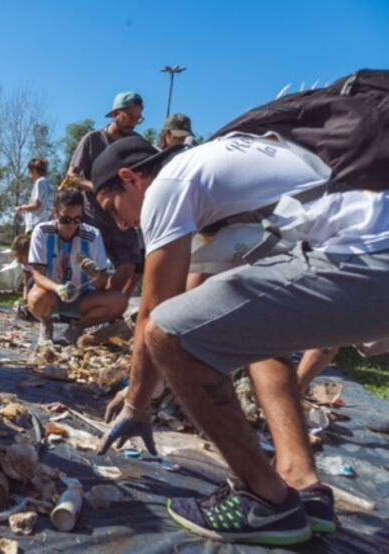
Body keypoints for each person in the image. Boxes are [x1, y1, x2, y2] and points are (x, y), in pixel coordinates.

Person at [89, 132, 389, 545]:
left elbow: (156, 315)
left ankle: (263, 501)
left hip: (366, 255)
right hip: (370, 248)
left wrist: (138, 404)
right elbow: (211, 307)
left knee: (166, 333)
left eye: (113, 208)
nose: (122, 224)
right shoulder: (219, 183)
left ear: (132, 178)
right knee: (252, 336)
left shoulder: (169, 185)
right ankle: (302, 483)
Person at [27, 188, 127, 346]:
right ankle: (46, 325)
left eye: (77, 219)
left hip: (82, 298)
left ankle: (76, 328)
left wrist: (95, 275)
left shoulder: (93, 235)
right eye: (66, 220)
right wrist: (58, 288)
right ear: (55, 214)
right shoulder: (42, 232)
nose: (71, 225)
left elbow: (102, 284)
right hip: (51, 294)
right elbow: (38, 275)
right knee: (36, 298)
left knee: (119, 301)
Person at [67, 91, 145, 295]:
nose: (133, 123)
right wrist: (99, 188)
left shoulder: (137, 143)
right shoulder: (92, 140)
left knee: (127, 266)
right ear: (115, 114)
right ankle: (84, 307)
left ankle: (105, 307)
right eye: (128, 117)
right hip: (94, 216)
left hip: (124, 218)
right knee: (89, 268)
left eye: (138, 119)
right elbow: (72, 176)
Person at [15, 158, 55, 233]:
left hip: (35, 225)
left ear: (34, 170)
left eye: (30, 172)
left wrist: (21, 208)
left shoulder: (40, 182)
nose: (30, 176)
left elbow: (37, 205)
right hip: (46, 225)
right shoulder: (51, 184)